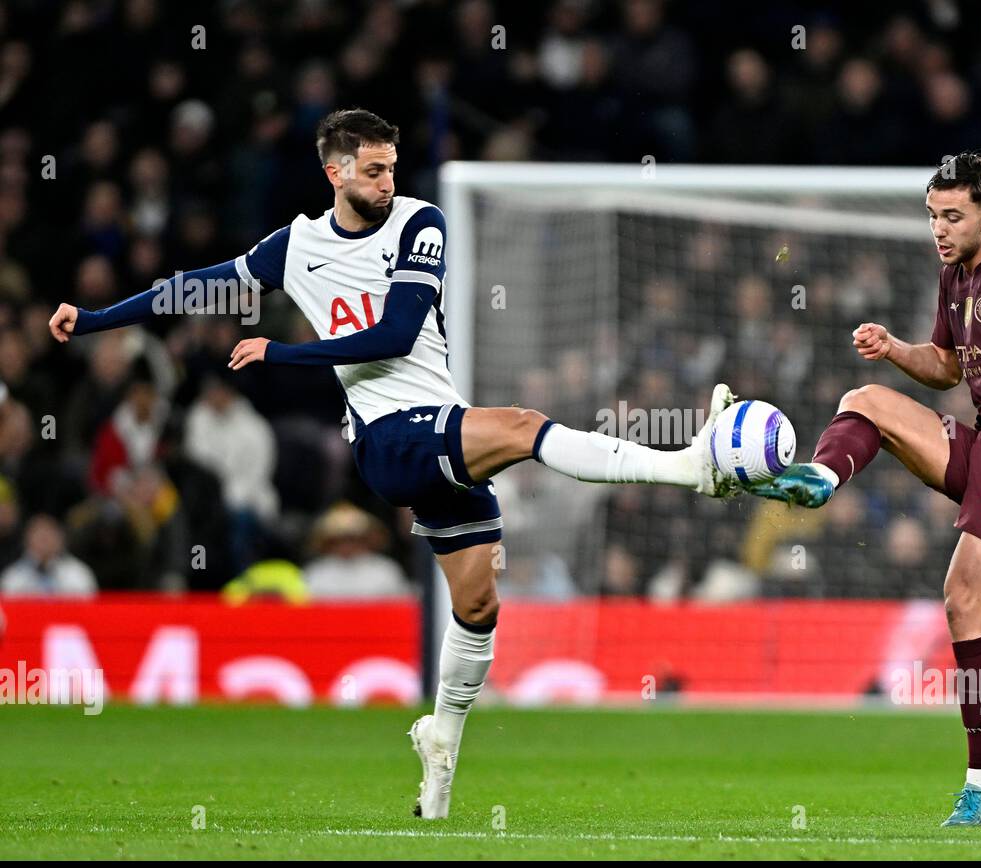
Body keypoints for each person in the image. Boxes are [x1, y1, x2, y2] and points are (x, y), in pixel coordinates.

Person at [49, 108, 738, 819]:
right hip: (388, 438)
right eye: (372, 170)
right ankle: (689, 466)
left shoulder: (420, 223)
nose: (386, 181)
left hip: (433, 433)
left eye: (390, 168)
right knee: (525, 426)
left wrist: (283, 352)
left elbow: (396, 332)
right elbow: (191, 287)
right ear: (335, 173)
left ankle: (439, 754)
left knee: (476, 604)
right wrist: (94, 319)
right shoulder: (297, 245)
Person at [750, 152, 981, 826]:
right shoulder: (954, 276)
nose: (939, 228)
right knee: (867, 397)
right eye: (933, 216)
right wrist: (896, 348)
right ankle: (819, 479)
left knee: (964, 598)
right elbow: (945, 368)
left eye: (953, 216)